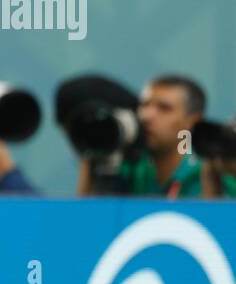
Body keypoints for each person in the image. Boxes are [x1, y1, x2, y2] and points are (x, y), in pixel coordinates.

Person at [77, 76, 207, 197]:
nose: (146, 116)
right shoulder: (126, 168)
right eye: (144, 105)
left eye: (164, 108)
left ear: (193, 122)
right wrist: (93, 156)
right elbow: (86, 217)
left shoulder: (206, 175)